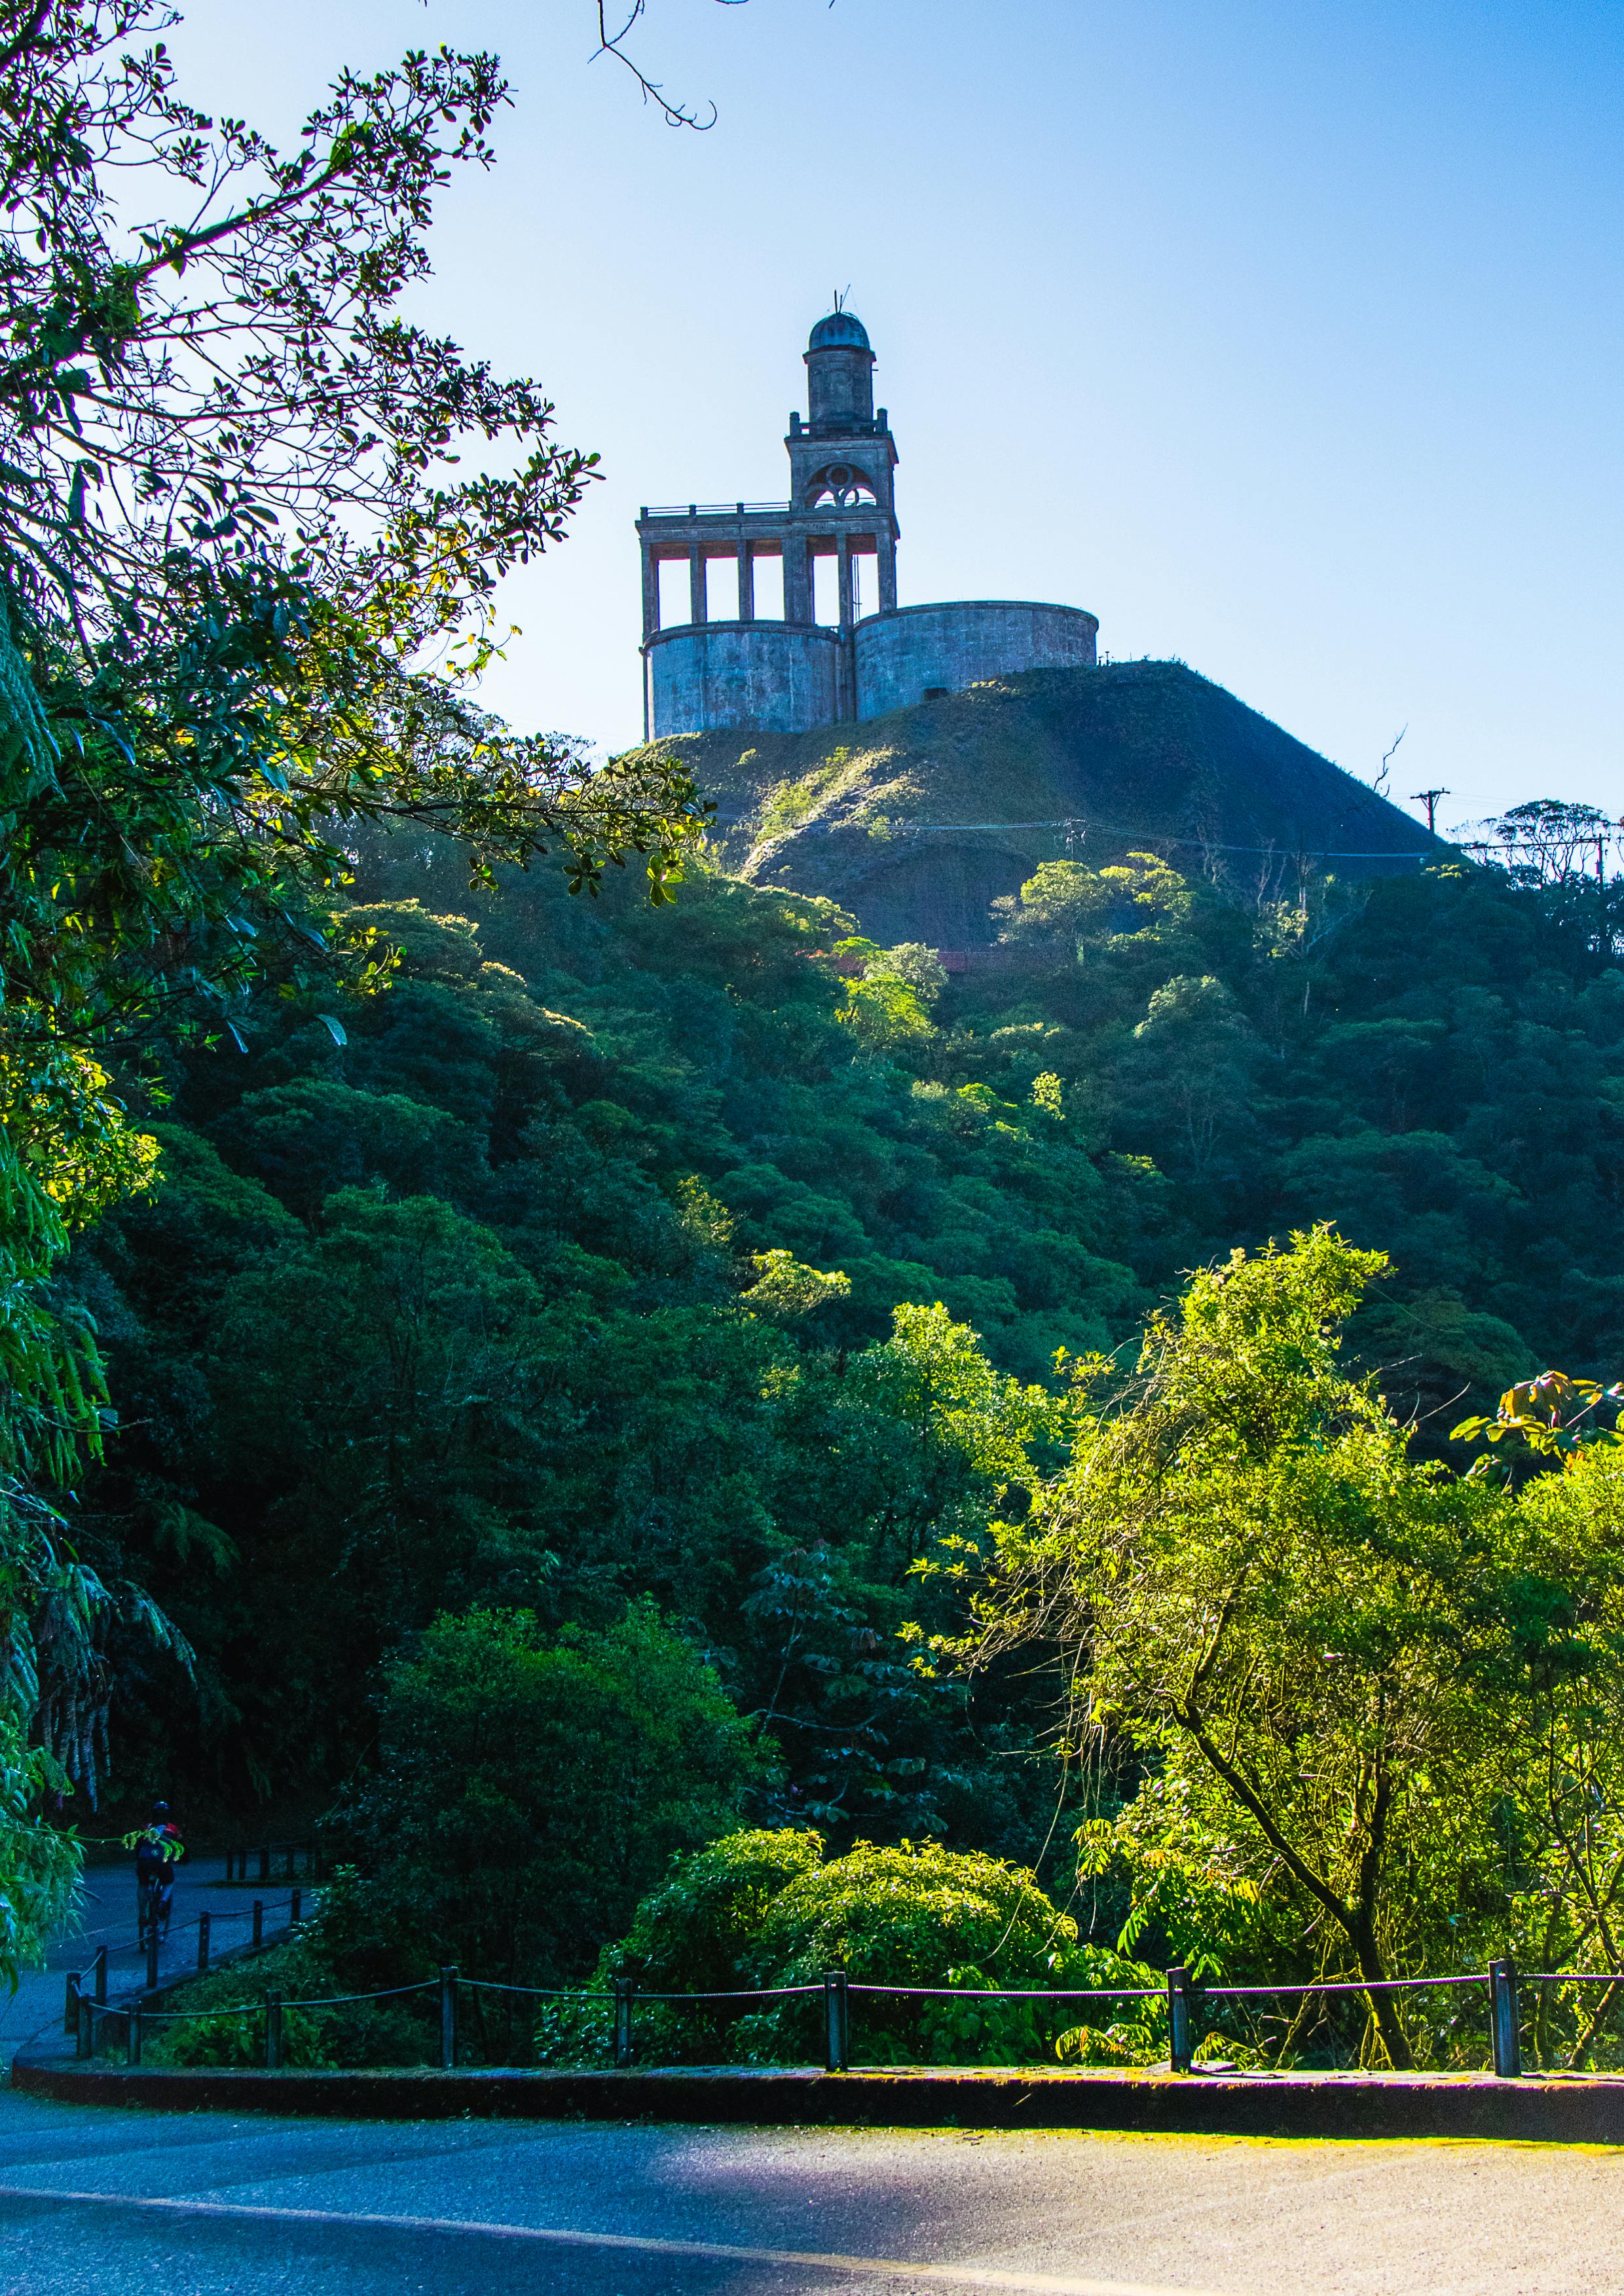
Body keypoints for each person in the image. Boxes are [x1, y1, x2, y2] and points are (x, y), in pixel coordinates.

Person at [135, 1801, 183, 1946]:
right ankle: (163, 1902)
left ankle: (143, 1913)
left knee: (143, 1884)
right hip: (162, 1863)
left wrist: (138, 1859)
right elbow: (179, 1845)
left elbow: (138, 1845)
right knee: (169, 1882)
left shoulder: (146, 1828)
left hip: (144, 1862)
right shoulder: (172, 1829)